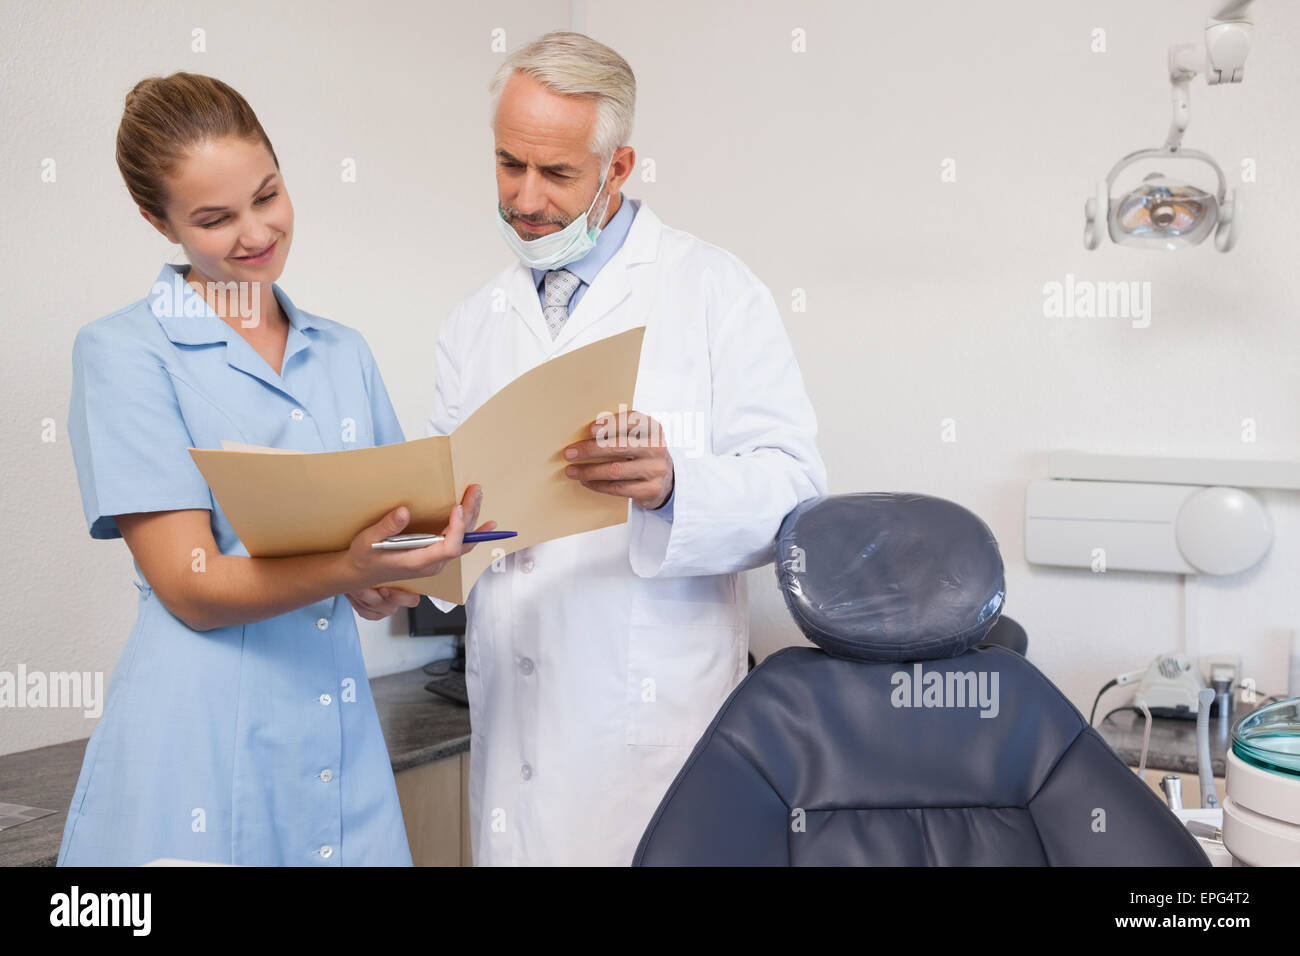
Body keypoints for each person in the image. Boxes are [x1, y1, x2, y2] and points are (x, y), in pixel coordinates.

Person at [59, 72, 491, 866]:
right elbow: (189, 584)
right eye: (216, 218)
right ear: (158, 222)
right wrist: (346, 565)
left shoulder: (343, 352)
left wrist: (396, 574)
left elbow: (376, 560)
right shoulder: (124, 353)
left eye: (268, 194)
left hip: (336, 734)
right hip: (196, 740)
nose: (256, 232)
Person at [428, 32, 828, 865]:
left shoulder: (714, 292)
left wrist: (674, 484)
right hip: (512, 742)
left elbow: (797, 497)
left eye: (557, 173)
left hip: (650, 746)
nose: (525, 198)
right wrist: (413, 554)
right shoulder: (474, 322)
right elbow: (445, 502)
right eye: (509, 164)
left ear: (618, 167)